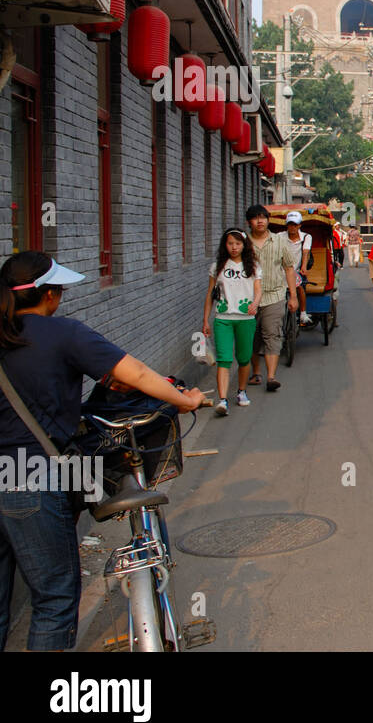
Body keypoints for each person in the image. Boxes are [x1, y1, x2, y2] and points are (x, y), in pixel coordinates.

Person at [0, 252, 203, 651]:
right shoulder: (63, 334)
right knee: (54, 600)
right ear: (50, 295)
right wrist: (186, 400)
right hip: (30, 477)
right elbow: (140, 375)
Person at [202, 229, 262, 415]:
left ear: (244, 245)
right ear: (224, 245)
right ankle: (222, 400)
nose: (234, 247)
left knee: (244, 358)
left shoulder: (253, 266)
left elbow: (258, 289)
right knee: (224, 359)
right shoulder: (217, 267)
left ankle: (241, 392)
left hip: (246, 319)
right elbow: (210, 295)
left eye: (237, 244)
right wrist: (205, 320)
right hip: (223, 319)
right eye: (230, 243)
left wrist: (255, 303)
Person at [245, 204, 297, 392]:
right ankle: (256, 372)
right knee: (252, 337)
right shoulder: (243, 242)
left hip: (274, 295)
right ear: (249, 222)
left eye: (263, 217)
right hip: (248, 299)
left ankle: (271, 376)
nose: (260, 221)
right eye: (255, 218)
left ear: (268, 220)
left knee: (272, 334)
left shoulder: (279, 241)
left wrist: (293, 296)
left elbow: (289, 268)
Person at [284, 211, 313, 328]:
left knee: (300, 286)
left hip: (297, 270)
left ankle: (303, 313)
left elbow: (305, 252)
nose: (292, 227)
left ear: (300, 225)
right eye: (290, 224)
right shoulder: (280, 237)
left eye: (295, 225)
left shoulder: (306, 237)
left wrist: (304, 267)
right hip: (282, 270)